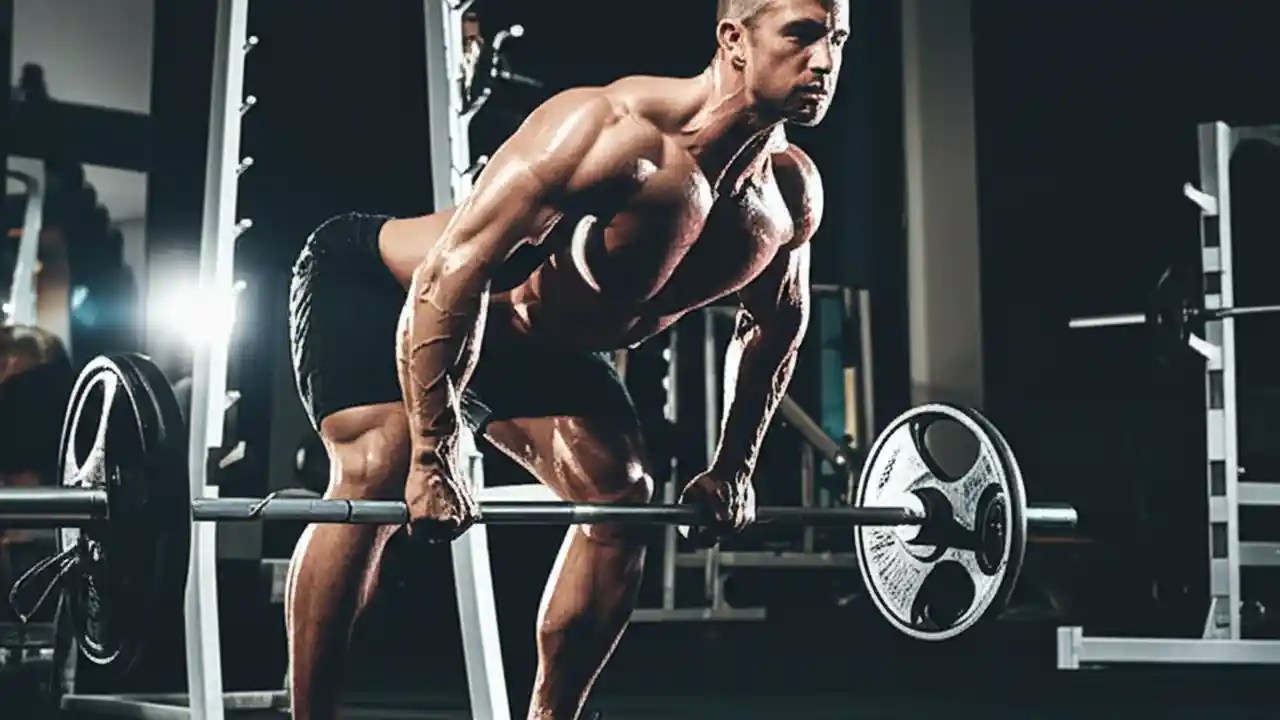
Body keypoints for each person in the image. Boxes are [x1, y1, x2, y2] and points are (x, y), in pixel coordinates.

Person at [285, 0, 849, 717]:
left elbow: (776, 327)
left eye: (837, 40)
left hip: (538, 344)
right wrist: (435, 450)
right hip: (384, 286)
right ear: (734, 40)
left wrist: (734, 465)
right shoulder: (610, 131)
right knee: (380, 466)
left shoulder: (788, 196)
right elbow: (450, 275)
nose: (826, 62)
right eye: (802, 35)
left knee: (624, 494)